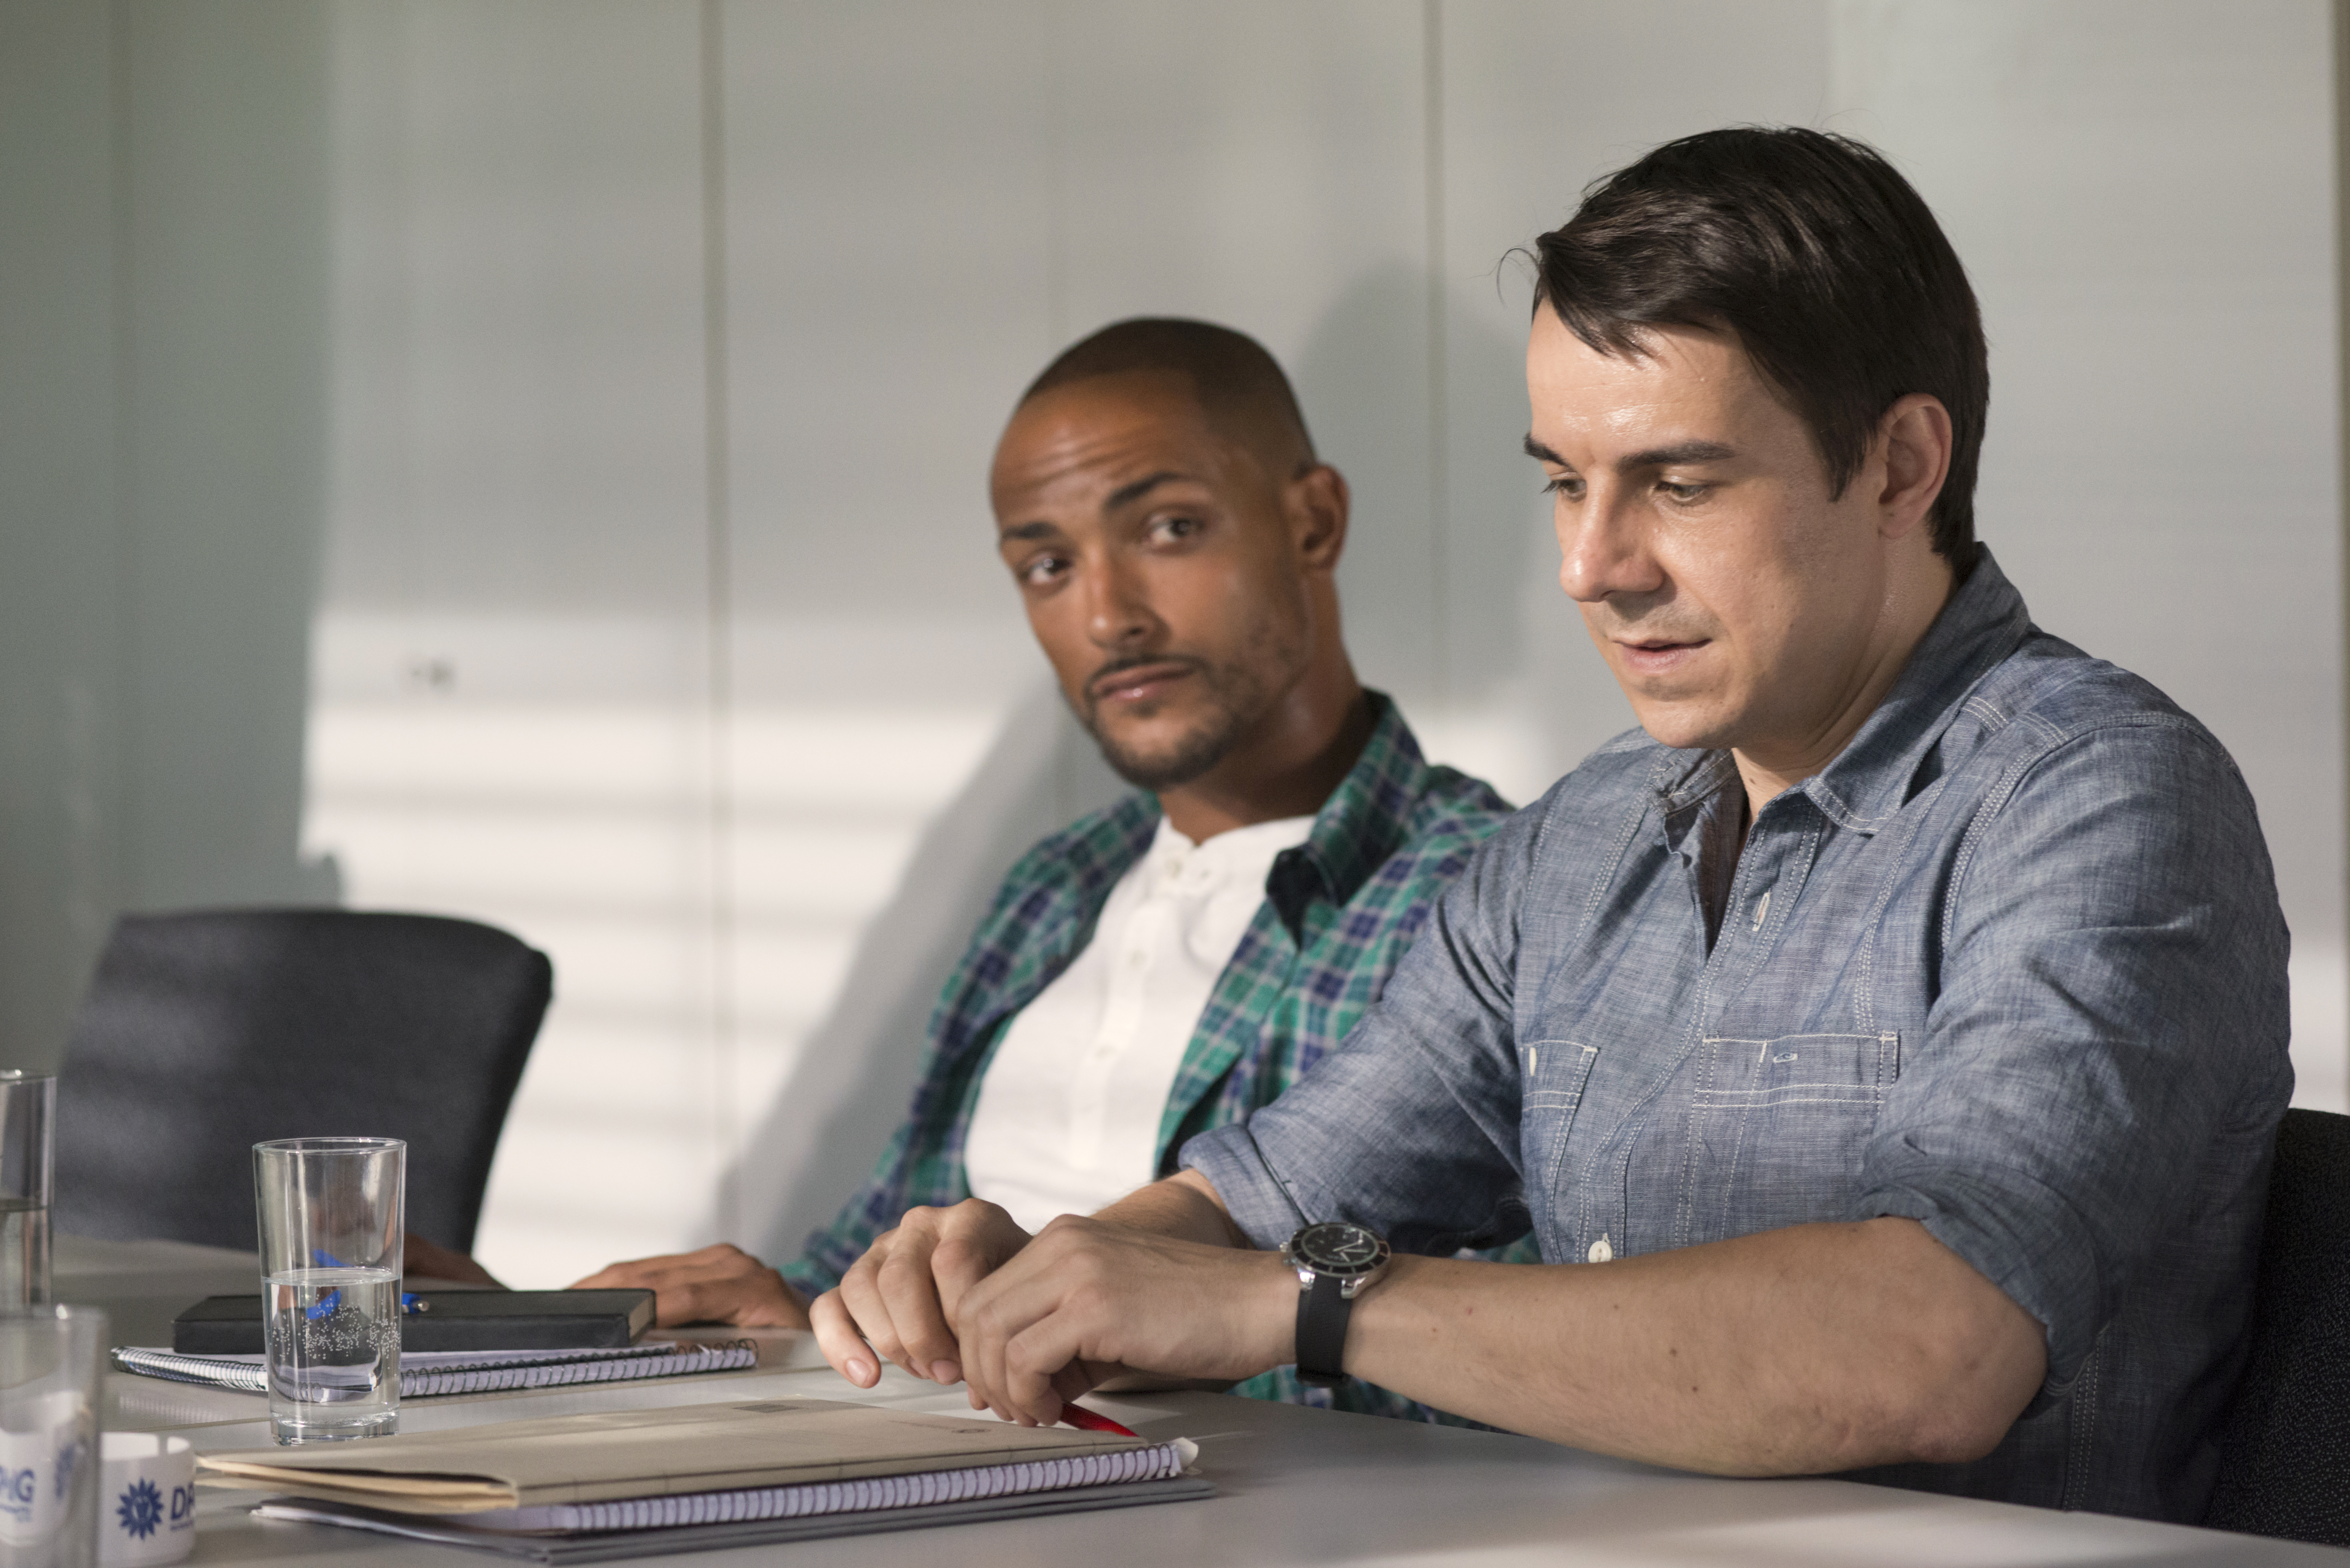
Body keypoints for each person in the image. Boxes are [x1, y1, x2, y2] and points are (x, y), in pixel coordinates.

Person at [808, 129, 2292, 1523]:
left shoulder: (2101, 797)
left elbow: (1933, 1345)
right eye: (1565, 484)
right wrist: (1048, 1279)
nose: (1590, 566)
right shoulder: (1580, 842)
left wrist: (1309, 1299)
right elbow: (1269, 1191)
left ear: (1901, 465)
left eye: (1678, 483)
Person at [413, 318, 1514, 1423]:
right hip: (924, 1466)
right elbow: (883, 1251)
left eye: (1171, 529)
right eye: (1048, 565)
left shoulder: (1491, 896)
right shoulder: (1057, 890)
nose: (1106, 617)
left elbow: (1493, 1360)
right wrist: (767, 1315)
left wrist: (1097, 1337)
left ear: (1311, 519)